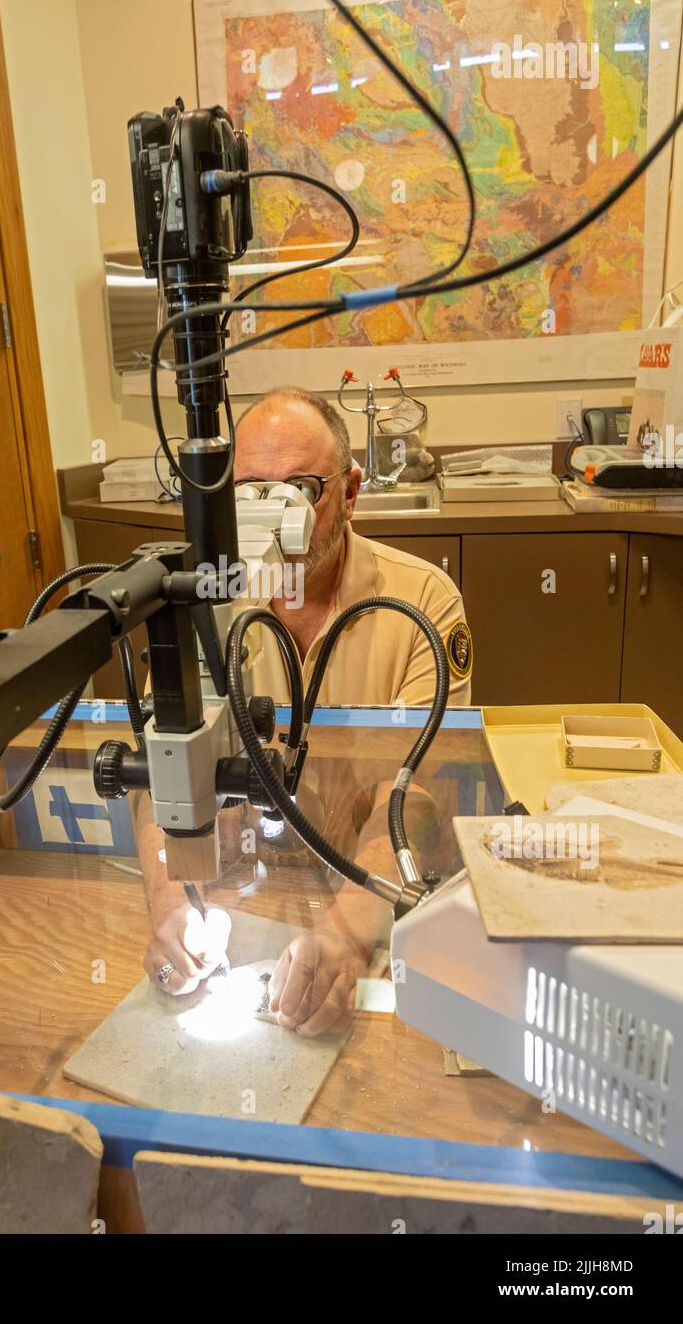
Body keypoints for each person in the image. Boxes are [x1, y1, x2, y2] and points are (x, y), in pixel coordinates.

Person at [137, 386, 473, 1035]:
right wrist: (169, 900)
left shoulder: (423, 604)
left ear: (349, 492)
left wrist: (345, 937)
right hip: (246, 897)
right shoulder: (205, 604)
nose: (271, 515)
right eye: (251, 491)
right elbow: (164, 769)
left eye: (299, 489)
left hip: (368, 896)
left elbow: (416, 798)